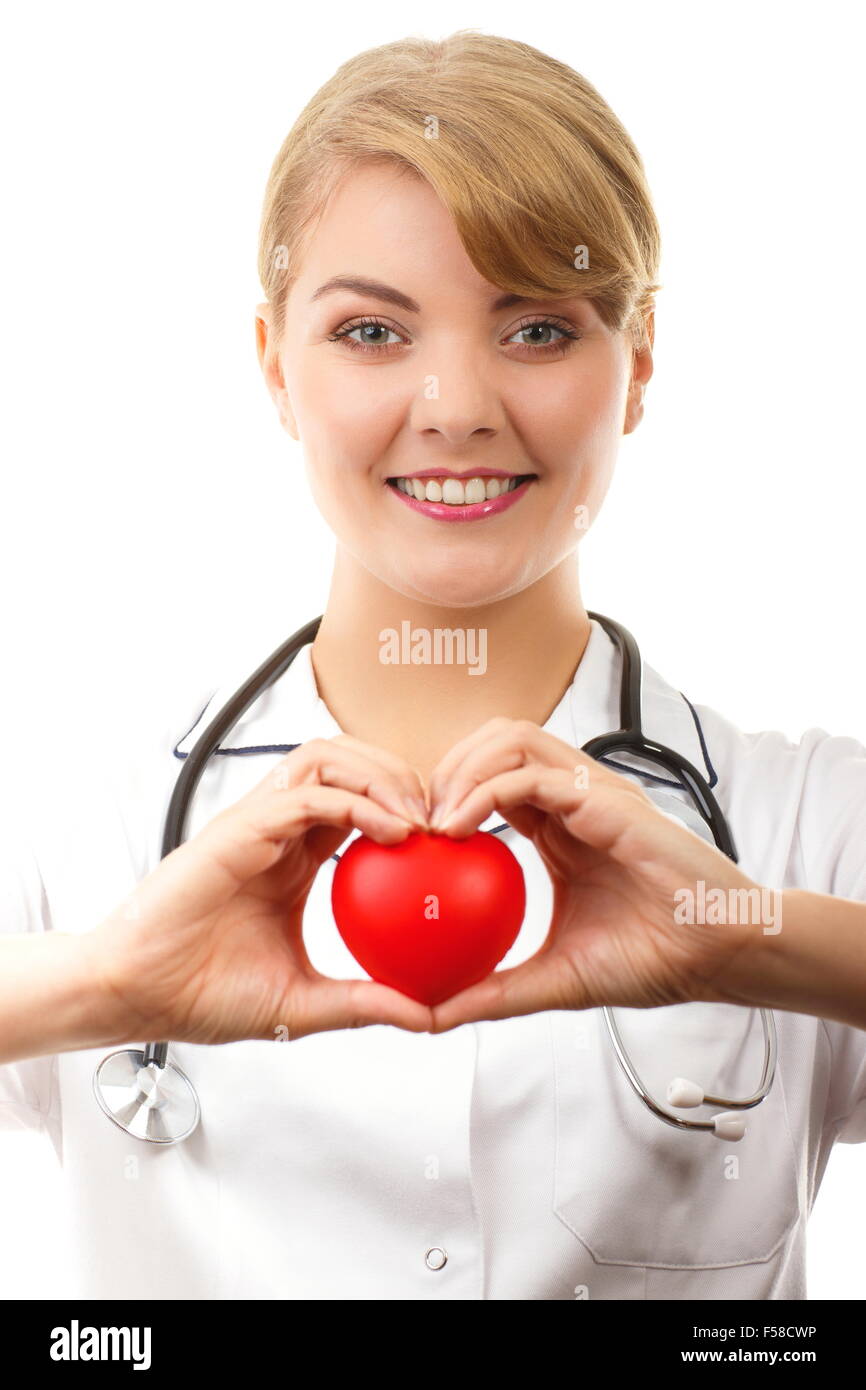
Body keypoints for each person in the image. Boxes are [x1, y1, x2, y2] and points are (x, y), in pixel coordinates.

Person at [2, 30, 865, 1302]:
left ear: (635, 366)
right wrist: (109, 980)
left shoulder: (806, 823)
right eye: (369, 330)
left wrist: (744, 940)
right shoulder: (83, 842)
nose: (456, 403)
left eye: (534, 327)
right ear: (271, 368)